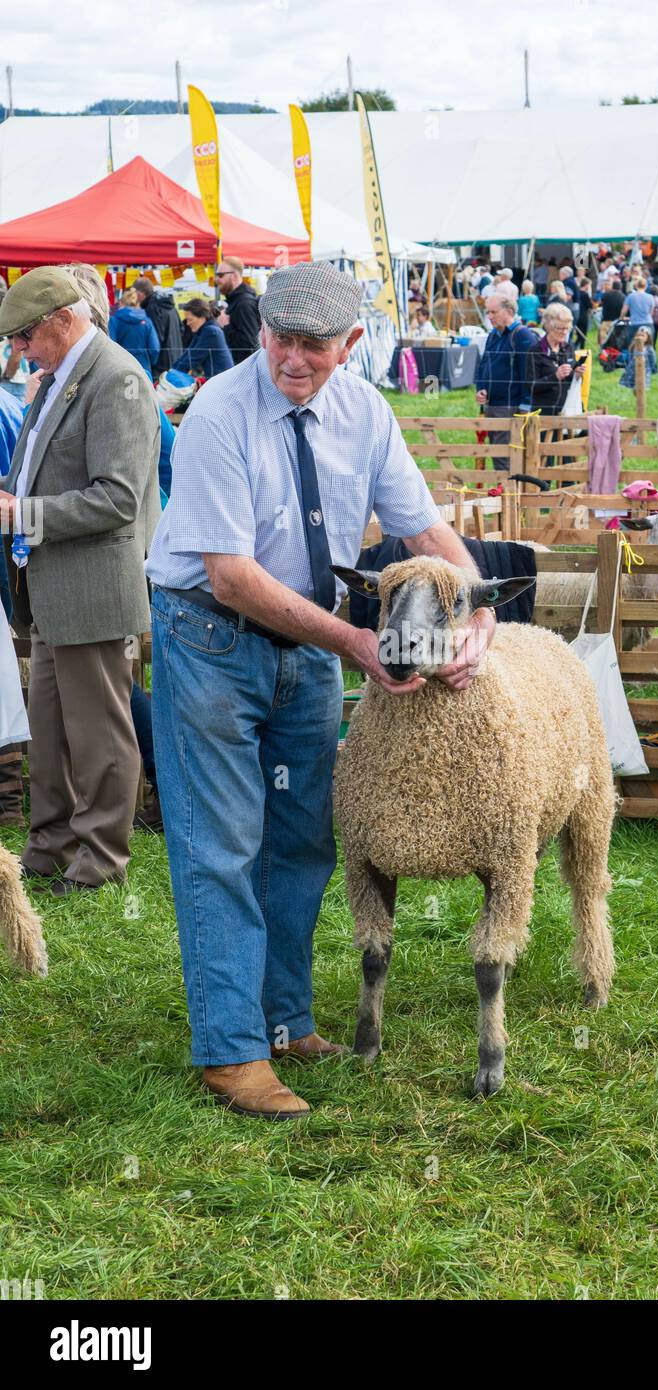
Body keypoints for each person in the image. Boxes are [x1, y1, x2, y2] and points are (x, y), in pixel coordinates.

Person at [145, 261, 498, 1120]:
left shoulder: (366, 412)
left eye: (314, 346)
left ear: (352, 345)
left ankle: (285, 1018)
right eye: (280, 339)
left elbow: (424, 526)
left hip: (308, 641)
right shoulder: (220, 415)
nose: (293, 359)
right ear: (260, 330)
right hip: (212, 635)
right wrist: (355, 644)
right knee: (222, 840)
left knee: (304, 836)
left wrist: (477, 609)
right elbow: (228, 576)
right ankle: (231, 1052)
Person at [0, 266, 160, 893]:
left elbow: (118, 499)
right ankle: (51, 842)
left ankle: (99, 861)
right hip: (55, 585)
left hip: (93, 587)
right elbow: (43, 470)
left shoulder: (117, 378)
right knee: (51, 727)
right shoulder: (64, 376)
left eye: (24, 336)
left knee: (98, 732)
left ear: (63, 321)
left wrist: (20, 513)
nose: (18, 350)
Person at [474, 293, 537, 471]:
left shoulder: (522, 335)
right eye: (488, 312)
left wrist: (525, 404)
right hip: (492, 405)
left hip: (510, 406)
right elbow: (483, 365)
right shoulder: (493, 335)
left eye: (493, 312)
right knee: (497, 453)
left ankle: (508, 495)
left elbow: (528, 372)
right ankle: (503, 494)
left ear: (508, 311)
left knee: (504, 458)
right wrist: (481, 388)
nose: (489, 316)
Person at [526, 302, 582, 415]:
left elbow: (571, 380)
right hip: (544, 414)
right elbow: (531, 386)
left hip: (567, 411)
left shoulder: (567, 348)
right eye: (560, 328)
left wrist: (577, 374)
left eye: (567, 328)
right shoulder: (536, 351)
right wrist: (555, 377)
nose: (564, 332)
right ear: (548, 326)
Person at [214, 257, 261, 364]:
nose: (217, 280)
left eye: (221, 275)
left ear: (234, 276)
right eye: (217, 275)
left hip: (245, 372)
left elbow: (250, 346)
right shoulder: (235, 301)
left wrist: (226, 326)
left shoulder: (244, 304)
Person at [172, 298, 234, 379]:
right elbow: (188, 354)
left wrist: (172, 375)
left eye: (190, 319)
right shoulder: (203, 330)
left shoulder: (211, 332)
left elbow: (193, 358)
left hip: (223, 382)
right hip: (217, 380)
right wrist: (172, 370)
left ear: (202, 317)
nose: (187, 323)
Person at [133, 277, 184, 375]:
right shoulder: (170, 305)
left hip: (161, 364)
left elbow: (156, 338)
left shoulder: (153, 307)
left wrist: (152, 361)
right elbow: (181, 329)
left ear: (140, 294)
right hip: (176, 358)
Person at [108, 288, 161, 377]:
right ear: (137, 304)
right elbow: (155, 349)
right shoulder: (147, 321)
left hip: (121, 367)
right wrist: (151, 362)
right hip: (143, 367)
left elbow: (111, 345)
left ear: (121, 303)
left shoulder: (114, 320)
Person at [623, 276, 655, 345]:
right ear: (646, 286)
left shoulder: (630, 296)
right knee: (648, 344)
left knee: (632, 344)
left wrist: (622, 317)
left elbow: (624, 310)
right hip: (648, 323)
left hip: (635, 323)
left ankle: (633, 355)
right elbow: (651, 312)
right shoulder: (650, 297)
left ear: (636, 285)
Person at [599, 277, 625, 344]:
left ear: (612, 286)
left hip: (606, 320)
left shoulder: (606, 295)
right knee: (615, 340)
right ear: (620, 287)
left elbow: (601, 304)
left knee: (603, 338)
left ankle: (602, 352)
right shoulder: (623, 297)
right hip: (617, 321)